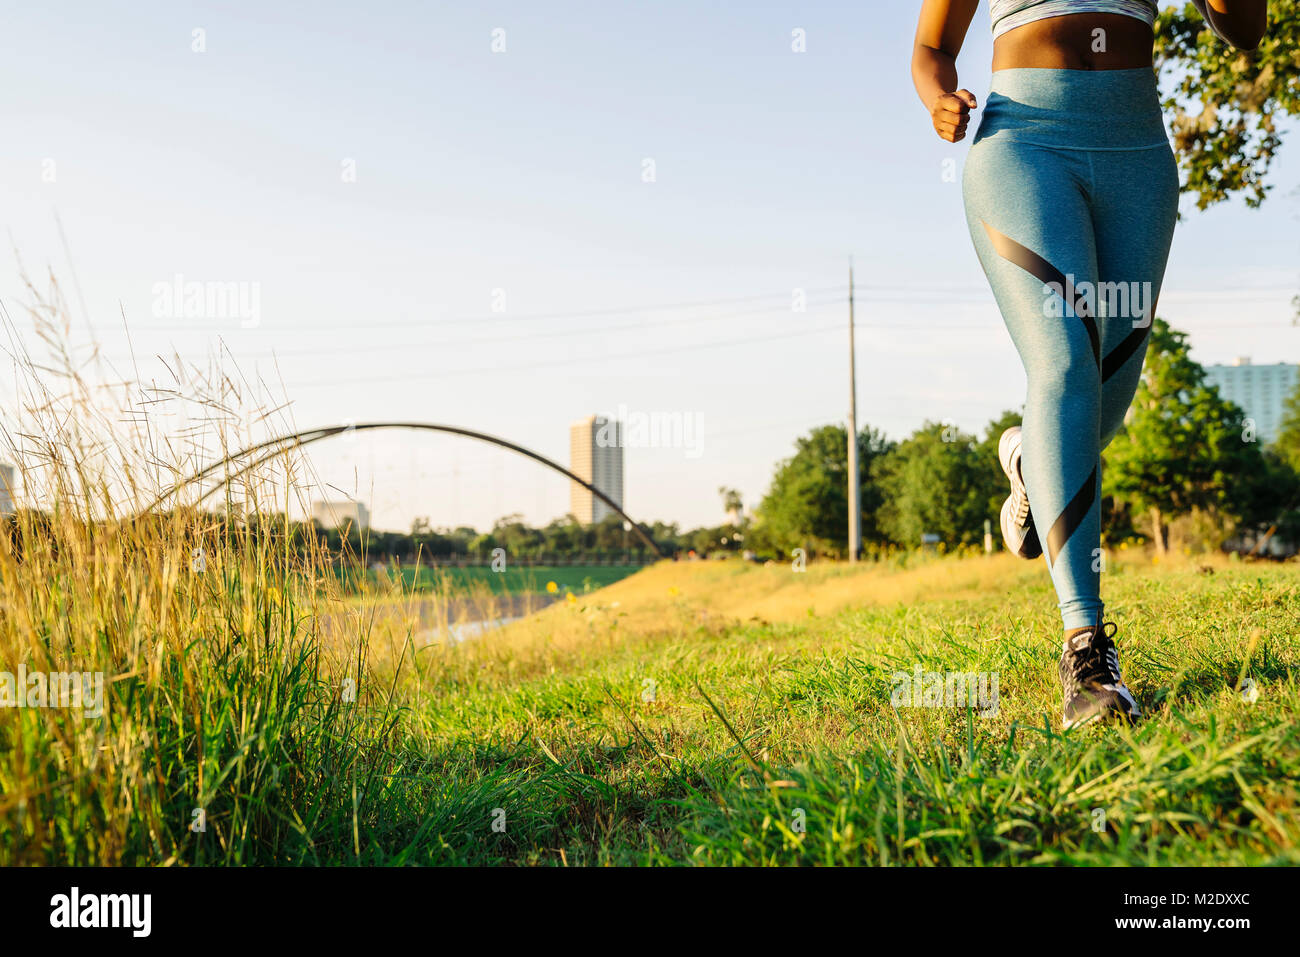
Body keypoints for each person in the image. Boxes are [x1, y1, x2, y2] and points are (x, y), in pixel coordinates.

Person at [911, 0, 1268, 728]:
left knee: (1112, 382)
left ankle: (1027, 469)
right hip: (1025, 146)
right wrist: (937, 98)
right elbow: (930, 44)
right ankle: (1086, 649)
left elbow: (1246, 28)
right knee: (1065, 359)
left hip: (1137, 152)